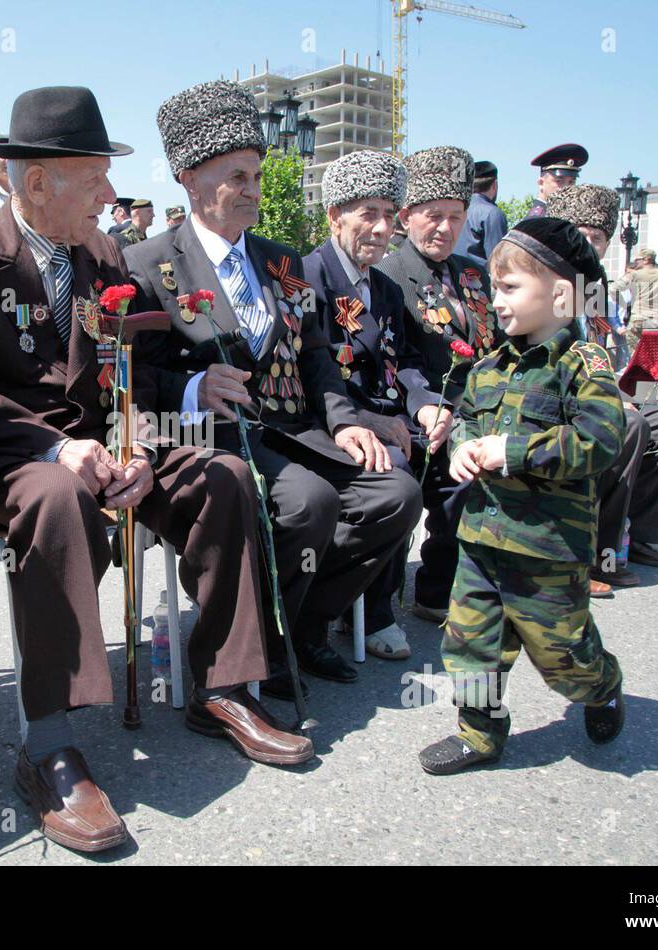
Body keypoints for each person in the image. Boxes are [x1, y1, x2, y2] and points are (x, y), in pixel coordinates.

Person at [0, 85, 314, 855]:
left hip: (110, 443)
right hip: (13, 458)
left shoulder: (101, 255)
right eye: (95, 177)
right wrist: (54, 448)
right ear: (36, 182)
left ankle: (222, 686)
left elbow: (125, 370)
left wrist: (137, 448)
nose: (111, 196)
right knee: (60, 494)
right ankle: (51, 746)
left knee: (222, 475)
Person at [127, 80, 422, 692]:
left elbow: (317, 356)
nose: (253, 191)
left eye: (257, 176)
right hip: (208, 436)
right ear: (188, 178)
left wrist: (346, 420)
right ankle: (257, 639)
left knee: (394, 492)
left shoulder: (281, 262)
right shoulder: (145, 263)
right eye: (237, 176)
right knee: (307, 503)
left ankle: (303, 622)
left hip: (295, 430)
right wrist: (191, 386)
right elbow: (126, 374)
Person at [419, 218, 626, 775]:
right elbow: (465, 420)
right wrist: (461, 447)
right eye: (495, 288)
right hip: (482, 537)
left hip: (547, 547)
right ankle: (480, 733)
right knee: (471, 647)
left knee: (563, 659)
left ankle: (601, 687)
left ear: (560, 293)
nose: (497, 301)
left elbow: (600, 439)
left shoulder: (583, 365)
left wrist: (515, 451)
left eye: (510, 288)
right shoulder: (486, 368)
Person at [302, 149, 436, 660]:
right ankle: (364, 608)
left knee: (448, 450)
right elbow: (309, 372)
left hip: (388, 414)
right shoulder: (306, 277)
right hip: (330, 421)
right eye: (368, 213)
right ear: (335, 215)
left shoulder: (382, 285)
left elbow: (399, 360)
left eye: (389, 214)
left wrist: (424, 406)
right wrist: (368, 420)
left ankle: (445, 588)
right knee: (394, 466)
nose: (382, 228)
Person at [378, 145, 504, 625]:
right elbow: (393, 359)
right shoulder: (390, 274)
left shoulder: (473, 271)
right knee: (453, 481)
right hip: (416, 413)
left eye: (456, 216)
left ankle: (454, 586)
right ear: (406, 216)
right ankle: (415, 595)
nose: (445, 228)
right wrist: (434, 407)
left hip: (478, 411)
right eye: (434, 216)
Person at [547, 183, 658, 580]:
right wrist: (606, 397)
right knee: (628, 425)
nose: (589, 246)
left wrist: (614, 385)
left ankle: (641, 535)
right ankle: (599, 554)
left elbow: (598, 352)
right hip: (553, 399)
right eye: (580, 236)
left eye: (598, 238)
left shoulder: (594, 289)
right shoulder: (542, 285)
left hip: (596, 391)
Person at [611, 247, 658, 358]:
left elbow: (613, 288)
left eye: (637, 260)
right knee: (654, 357)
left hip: (638, 320)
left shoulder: (635, 275)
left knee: (636, 357)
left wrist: (624, 303)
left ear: (646, 260)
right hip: (656, 321)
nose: (635, 262)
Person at [454, 160, 507, 265]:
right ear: (494, 185)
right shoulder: (492, 213)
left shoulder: (456, 208)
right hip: (478, 278)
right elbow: (497, 262)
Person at [523, 143, 587, 219]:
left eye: (571, 182)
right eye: (559, 181)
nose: (567, 188)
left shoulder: (569, 216)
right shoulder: (535, 221)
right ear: (541, 183)